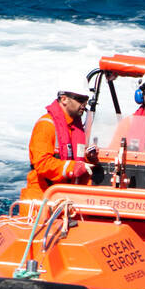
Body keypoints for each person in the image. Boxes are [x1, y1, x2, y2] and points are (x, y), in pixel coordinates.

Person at [19, 82, 97, 211]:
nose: (84, 104)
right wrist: (73, 167)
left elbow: (78, 161)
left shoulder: (76, 128)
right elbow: (42, 163)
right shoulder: (46, 125)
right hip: (41, 203)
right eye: (80, 99)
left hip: (65, 201)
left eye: (86, 100)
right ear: (64, 99)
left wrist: (89, 158)